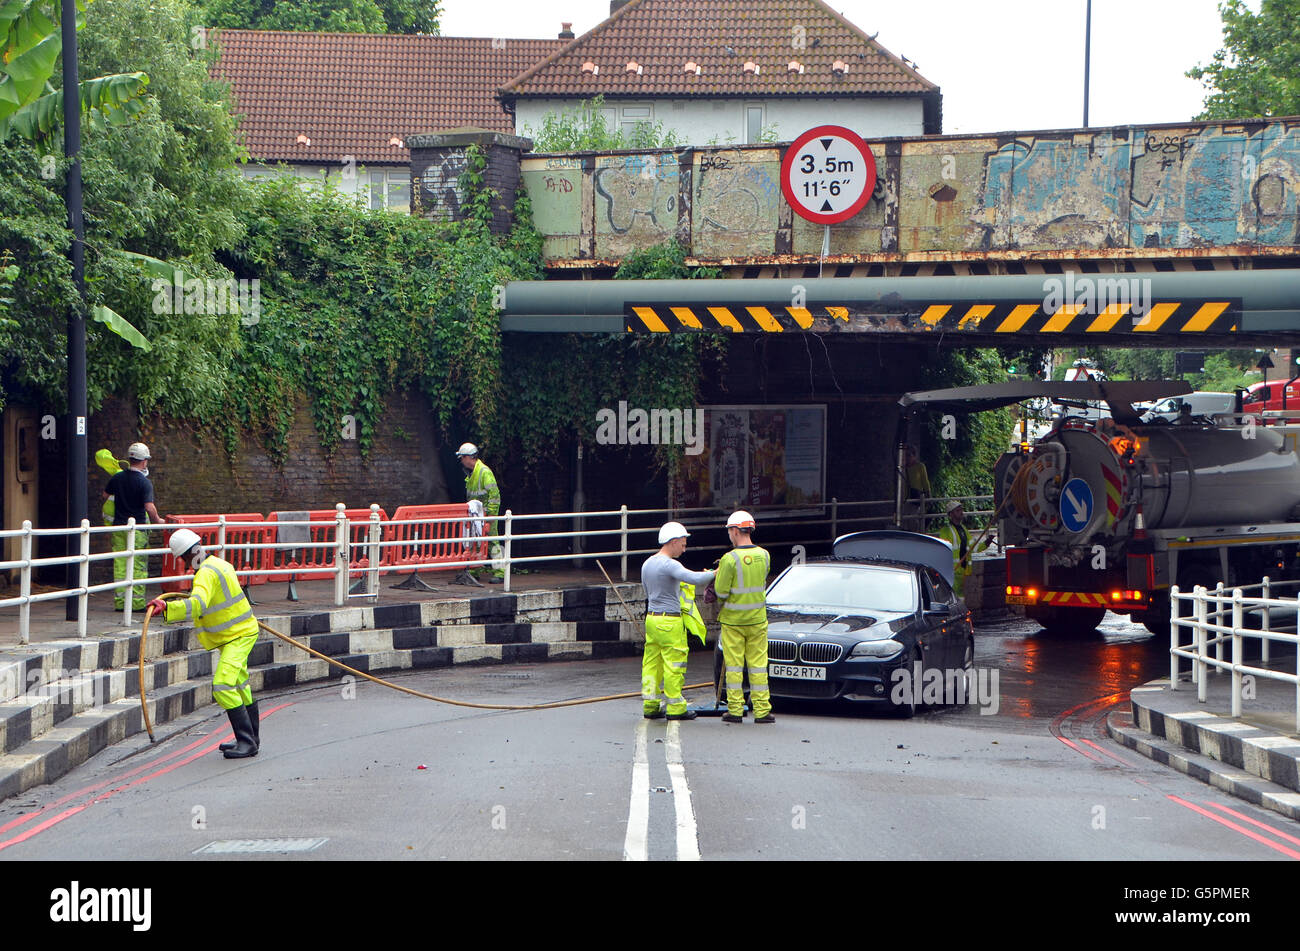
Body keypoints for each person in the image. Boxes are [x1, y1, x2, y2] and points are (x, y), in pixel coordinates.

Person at [147, 529, 261, 759]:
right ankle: (250, 739)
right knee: (240, 686)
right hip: (239, 634)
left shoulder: (204, 575)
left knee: (223, 686)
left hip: (237, 637)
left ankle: (247, 742)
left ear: (184, 557)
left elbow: (197, 604)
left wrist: (168, 608)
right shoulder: (220, 564)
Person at [640, 522, 715, 721]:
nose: (684, 548)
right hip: (670, 621)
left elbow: (647, 592)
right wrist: (714, 574)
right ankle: (675, 708)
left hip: (651, 620)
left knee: (652, 664)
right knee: (674, 665)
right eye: (682, 544)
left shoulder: (647, 563)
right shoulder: (669, 564)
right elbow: (694, 579)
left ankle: (651, 705)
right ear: (672, 542)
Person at [714, 510, 773, 724]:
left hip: (733, 621)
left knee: (735, 667)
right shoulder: (764, 555)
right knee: (758, 666)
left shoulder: (729, 559)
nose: (729, 534)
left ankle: (736, 710)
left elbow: (721, 592)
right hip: (758, 620)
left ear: (736, 531)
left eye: (730, 530)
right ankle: (762, 710)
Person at [103, 442, 160, 612]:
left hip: (119, 528)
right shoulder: (144, 483)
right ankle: (136, 603)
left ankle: (121, 603)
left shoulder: (117, 478)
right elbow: (149, 507)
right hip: (138, 530)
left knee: (120, 564)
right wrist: (158, 520)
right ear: (144, 462)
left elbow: (105, 495)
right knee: (138, 566)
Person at [457, 443, 503, 582]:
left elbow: (494, 496)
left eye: (462, 457)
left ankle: (500, 573)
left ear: (468, 457)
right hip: (477, 515)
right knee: (475, 542)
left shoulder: (484, 472)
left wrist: (491, 516)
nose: (461, 461)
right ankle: (474, 571)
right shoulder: (472, 473)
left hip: (486, 515)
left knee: (492, 542)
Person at [934, 500, 987, 599]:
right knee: (953, 597)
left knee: (961, 597)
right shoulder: (946, 531)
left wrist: (986, 543)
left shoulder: (963, 529)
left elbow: (973, 547)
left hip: (963, 571)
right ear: (951, 514)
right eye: (958, 511)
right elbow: (943, 551)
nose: (961, 512)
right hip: (953, 571)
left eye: (961, 510)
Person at [902, 443, 931, 532]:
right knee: (905, 518)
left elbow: (925, 482)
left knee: (914, 518)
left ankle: (916, 533)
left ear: (914, 456)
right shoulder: (903, 468)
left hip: (916, 496)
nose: (907, 458)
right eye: (905, 456)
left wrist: (928, 496)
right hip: (906, 498)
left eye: (909, 455)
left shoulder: (920, 467)